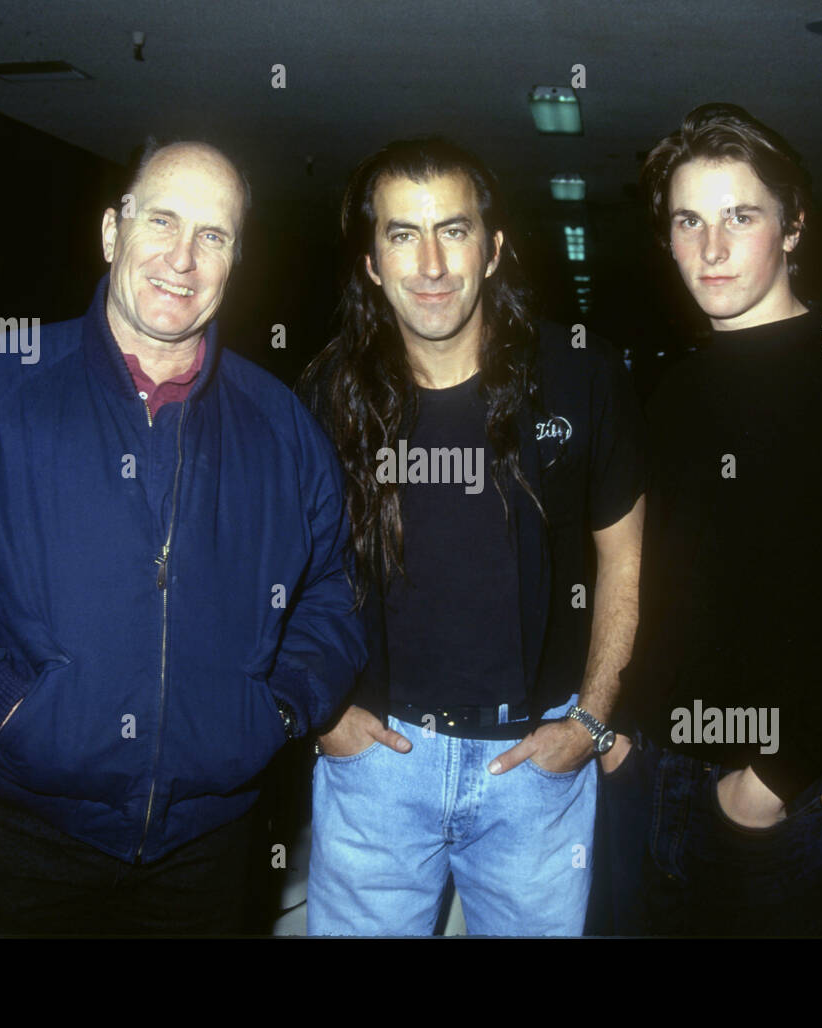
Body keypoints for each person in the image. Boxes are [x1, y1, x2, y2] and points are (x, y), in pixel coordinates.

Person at [0, 139, 365, 935]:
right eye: (162, 221)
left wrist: (279, 707)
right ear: (114, 233)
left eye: (213, 236)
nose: (182, 258)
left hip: (210, 853)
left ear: (235, 260)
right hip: (24, 845)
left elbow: (332, 594)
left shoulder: (282, 429)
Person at [598, 103, 822, 935]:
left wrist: (768, 783)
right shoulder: (675, 391)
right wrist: (620, 724)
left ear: (791, 229)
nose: (711, 249)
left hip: (776, 799)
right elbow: (653, 574)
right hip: (647, 776)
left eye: (740, 217)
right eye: (689, 221)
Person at [299, 137, 645, 936]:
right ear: (372, 264)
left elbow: (625, 555)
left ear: (493, 251)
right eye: (401, 234)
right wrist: (323, 714)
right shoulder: (326, 393)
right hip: (378, 767)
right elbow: (272, 565)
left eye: (453, 230)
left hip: (535, 768)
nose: (430, 264)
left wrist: (591, 720)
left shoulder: (582, 375)